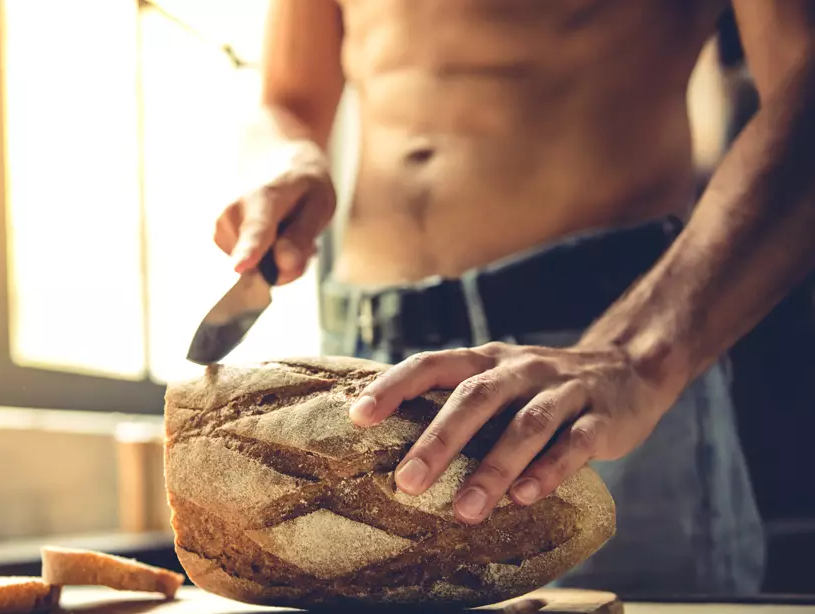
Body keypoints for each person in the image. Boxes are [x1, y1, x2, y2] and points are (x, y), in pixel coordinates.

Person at [212, 0, 815, 597]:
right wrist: (287, 157)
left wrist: (632, 355)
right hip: (369, 366)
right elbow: (287, 100)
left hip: (587, 368)